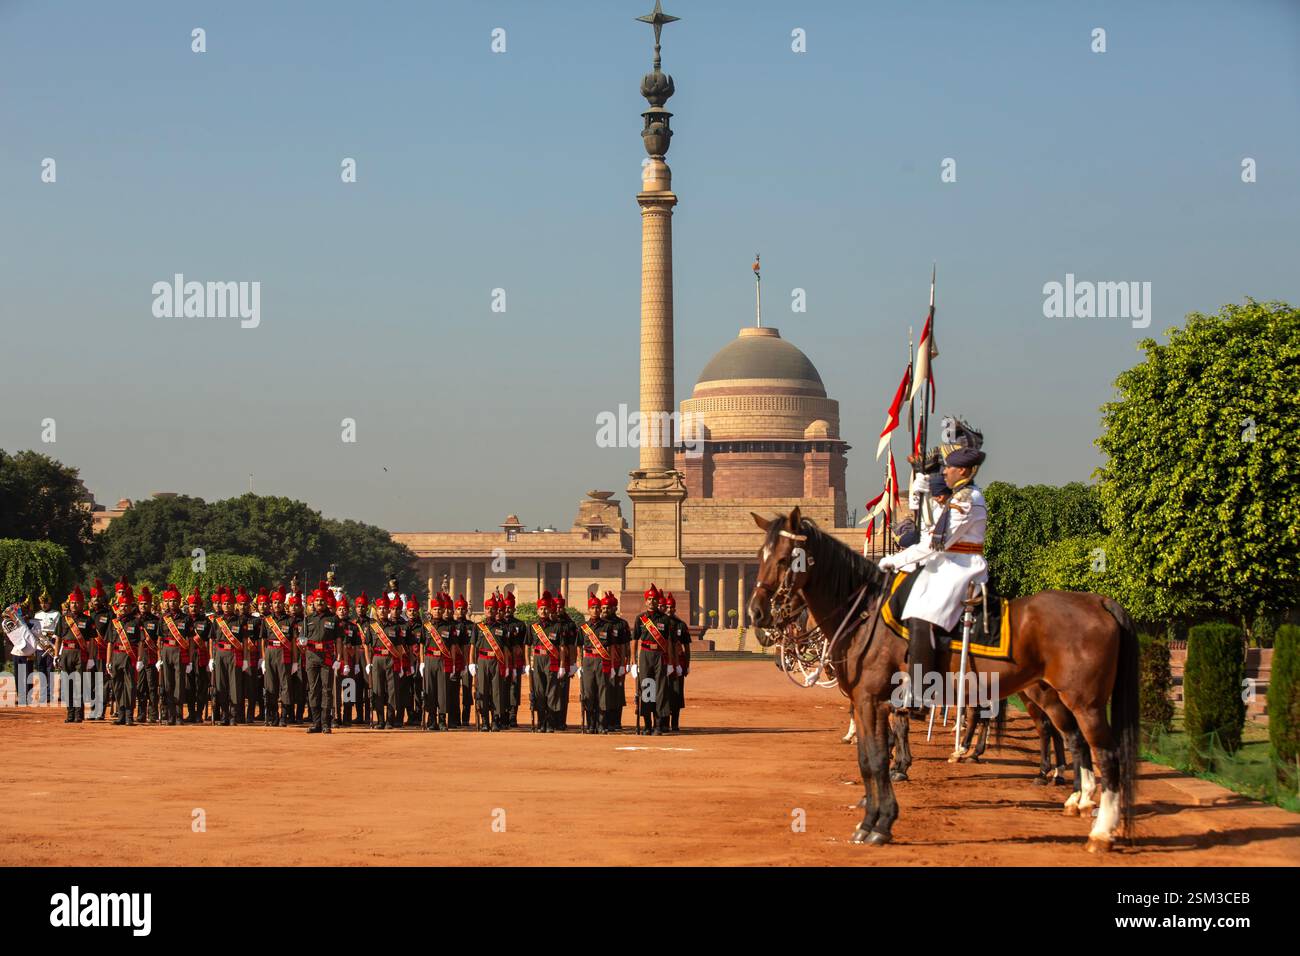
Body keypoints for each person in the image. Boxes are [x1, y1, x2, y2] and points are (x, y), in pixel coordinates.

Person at [883, 447, 988, 715]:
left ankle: (921, 695)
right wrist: (919, 497)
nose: (945, 472)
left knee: (921, 615)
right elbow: (932, 528)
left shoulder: (967, 500)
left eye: (949, 468)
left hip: (963, 569)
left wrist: (895, 560)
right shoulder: (960, 496)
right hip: (947, 566)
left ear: (963, 470)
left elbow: (934, 543)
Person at [632, 586, 677, 735]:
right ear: (646, 601)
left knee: (660, 690)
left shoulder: (665, 619)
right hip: (645, 654)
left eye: (654, 599)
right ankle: (647, 725)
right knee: (646, 688)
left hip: (660, 655)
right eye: (649, 599)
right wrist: (633, 661)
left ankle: (658, 725)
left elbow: (669, 642)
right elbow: (634, 640)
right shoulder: (640, 619)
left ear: (658, 601)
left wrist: (670, 662)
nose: (652, 601)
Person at [301, 588, 342, 733]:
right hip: (312, 657)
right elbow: (301, 639)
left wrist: (338, 658)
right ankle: (316, 723)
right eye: (317, 600)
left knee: (327, 690)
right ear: (313, 602)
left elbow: (338, 640)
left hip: (327, 658)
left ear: (326, 602)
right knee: (313, 690)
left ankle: (326, 724)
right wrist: (302, 641)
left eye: (322, 600)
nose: (319, 602)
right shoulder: (308, 619)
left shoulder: (333, 619)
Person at [54, 585, 94, 722]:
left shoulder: (87, 620)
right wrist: (56, 655)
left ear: (82, 604)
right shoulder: (63, 619)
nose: (74, 605)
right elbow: (58, 638)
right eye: (72, 602)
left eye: (77, 602)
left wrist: (91, 658)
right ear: (69, 604)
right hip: (66, 653)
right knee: (67, 684)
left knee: (79, 684)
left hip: (80, 653)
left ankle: (78, 714)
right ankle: (70, 713)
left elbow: (92, 641)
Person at [526, 592, 564, 732]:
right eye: (541, 609)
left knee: (552, 693)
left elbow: (561, 647)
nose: (543, 611)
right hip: (537, 662)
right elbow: (527, 645)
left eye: (546, 608)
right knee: (539, 693)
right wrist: (527, 664)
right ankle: (541, 722)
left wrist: (562, 666)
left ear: (550, 610)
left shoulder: (556, 627)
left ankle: (550, 723)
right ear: (537, 610)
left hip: (551, 661)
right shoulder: (533, 627)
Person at [363, 595, 403, 729]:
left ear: (389, 610)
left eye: (385, 608)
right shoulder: (372, 626)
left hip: (391, 659)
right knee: (378, 690)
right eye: (380, 608)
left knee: (392, 691)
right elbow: (367, 647)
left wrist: (401, 665)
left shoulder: (395, 627)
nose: (382, 611)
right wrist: (368, 663)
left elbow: (398, 648)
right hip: (377, 659)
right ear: (376, 610)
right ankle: (380, 720)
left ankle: (390, 720)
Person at [106, 579, 142, 725]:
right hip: (115, 657)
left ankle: (129, 715)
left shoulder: (136, 622)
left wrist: (139, 659)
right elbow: (109, 643)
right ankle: (120, 714)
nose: (124, 608)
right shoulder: (114, 623)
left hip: (129, 657)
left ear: (130, 607)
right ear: (118, 607)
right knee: (117, 685)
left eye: (126, 606)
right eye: (121, 606)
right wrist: (108, 662)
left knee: (130, 686)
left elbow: (140, 643)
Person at [577, 593, 613, 734]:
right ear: (588, 609)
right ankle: (591, 724)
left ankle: (602, 724)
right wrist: (580, 663)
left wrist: (610, 664)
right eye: (593, 607)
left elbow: (610, 647)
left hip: (602, 661)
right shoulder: (584, 627)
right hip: (588, 662)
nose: (596, 610)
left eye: (598, 608)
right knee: (589, 693)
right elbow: (579, 646)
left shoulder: (607, 626)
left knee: (602, 692)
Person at [156, 584, 190, 725]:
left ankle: (179, 715)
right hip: (166, 651)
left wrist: (190, 660)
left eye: (175, 601)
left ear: (179, 601)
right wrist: (159, 658)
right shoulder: (163, 619)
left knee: (179, 684)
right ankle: (170, 715)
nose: (172, 603)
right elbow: (159, 640)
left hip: (179, 652)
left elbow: (190, 640)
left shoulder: (186, 618)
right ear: (166, 603)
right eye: (170, 601)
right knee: (168, 684)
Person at [418, 593, 452, 731]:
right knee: (430, 689)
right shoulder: (425, 627)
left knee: (442, 690)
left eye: (439, 609)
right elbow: (421, 645)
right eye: (435, 609)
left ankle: (442, 719)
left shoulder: (448, 627)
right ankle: (432, 718)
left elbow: (453, 647)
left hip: (443, 660)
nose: (437, 611)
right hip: (429, 660)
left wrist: (453, 664)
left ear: (443, 610)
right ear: (430, 611)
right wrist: (421, 662)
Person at [601, 592, 631, 730]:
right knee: (604, 692)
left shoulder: (622, 624)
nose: (604, 610)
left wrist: (626, 664)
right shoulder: (598, 624)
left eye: (607, 607)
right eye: (603, 608)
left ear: (614, 608)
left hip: (618, 663)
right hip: (602, 664)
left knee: (617, 692)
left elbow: (626, 646)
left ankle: (616, 721)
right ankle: (604, 721)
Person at [663, 592, 691, 732]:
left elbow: (686, 646)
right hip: (663, 662)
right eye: (667, 607)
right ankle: (663, 722)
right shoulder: (660, 624)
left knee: (676, 693)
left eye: (671, 607)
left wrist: (686, 665)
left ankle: (674, 723)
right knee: (664, 693)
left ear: (675, 608)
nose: (669, 609)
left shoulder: (681, 625)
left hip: (678, 663)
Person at [185, 588, 214, 722]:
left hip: (202, 656)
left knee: (201, 686)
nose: (193, 608)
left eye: (196, 606)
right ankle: (191, 713)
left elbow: (209, 641)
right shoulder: (184, 621)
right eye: (191, 606)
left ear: (200, 607)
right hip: (188, 656)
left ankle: (199, 714)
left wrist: (210, 659)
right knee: (189, 686)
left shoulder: (206, 622)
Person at [135, 586, 161, 724]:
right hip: (138, 657)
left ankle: (153, 714)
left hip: (151, 657)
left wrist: (159, 658)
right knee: (140, 688)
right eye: (141, 604)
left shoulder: (156, 621)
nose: (143, 606)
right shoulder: (135, 620)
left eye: (146, 604)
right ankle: (141, 714)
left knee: (152, 687)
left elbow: (159, 641)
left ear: (150, 605)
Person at [33, 590, 59, 706]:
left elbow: (58, 631)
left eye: (46, 603)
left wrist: (52, 641)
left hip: (51, 646)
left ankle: (50, 694)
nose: (44, 605)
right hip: (40, 646)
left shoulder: (56, 614)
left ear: (50, 603)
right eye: (42, 603)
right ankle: (43, 695)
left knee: (50, 670)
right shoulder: (37, 615)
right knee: (41, 670)